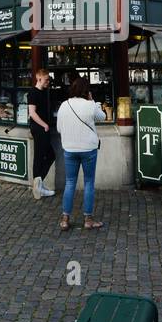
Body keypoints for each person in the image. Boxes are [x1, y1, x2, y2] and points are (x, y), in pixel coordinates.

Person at [55, 76, 106, 232]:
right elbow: (103, 117)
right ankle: (88, 219)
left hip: (70, 149)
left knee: (70, 182)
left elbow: (58, 128)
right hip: (88, 149)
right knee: (89, 182)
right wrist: (93, 101)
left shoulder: (64, 105)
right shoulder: (89, 105)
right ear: (87, 91)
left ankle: (65, 219)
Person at [27, 69, 57, 200]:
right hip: (39, 128)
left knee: (48, 155)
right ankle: (38, 186)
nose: (48, 82)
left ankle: (38, 185)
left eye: (48, 79)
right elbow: (32, 113)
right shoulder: (33, 93)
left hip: (43, 127)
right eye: (46, 80)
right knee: (41, 156)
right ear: (39, 79)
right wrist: (44, 124)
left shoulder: (44, 92)